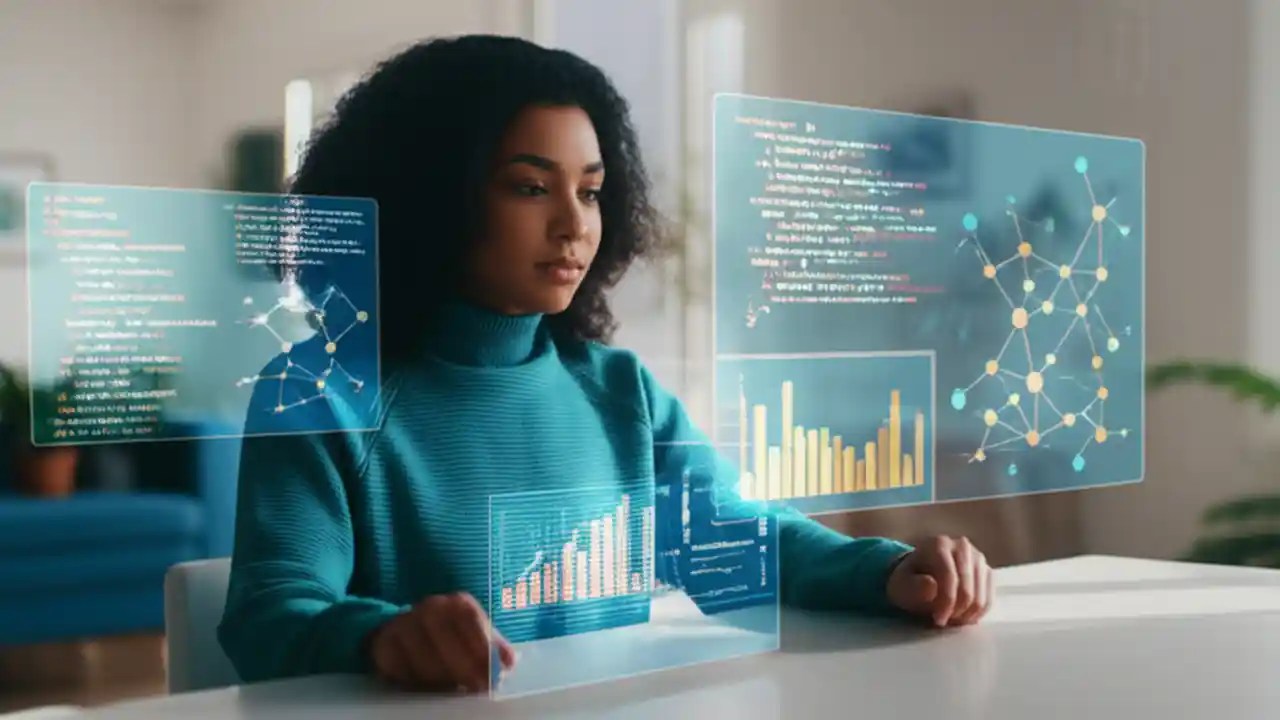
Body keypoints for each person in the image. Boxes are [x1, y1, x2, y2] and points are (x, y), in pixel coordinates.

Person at [217, 34, 994, 695]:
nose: (573, 226)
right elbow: (271, 612)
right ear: (430, 197)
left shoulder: (620, 394)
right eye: (530, 187)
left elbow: (742, 541)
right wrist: (382, 639)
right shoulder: (318, 395)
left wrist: (892, 573)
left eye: (590, 192)